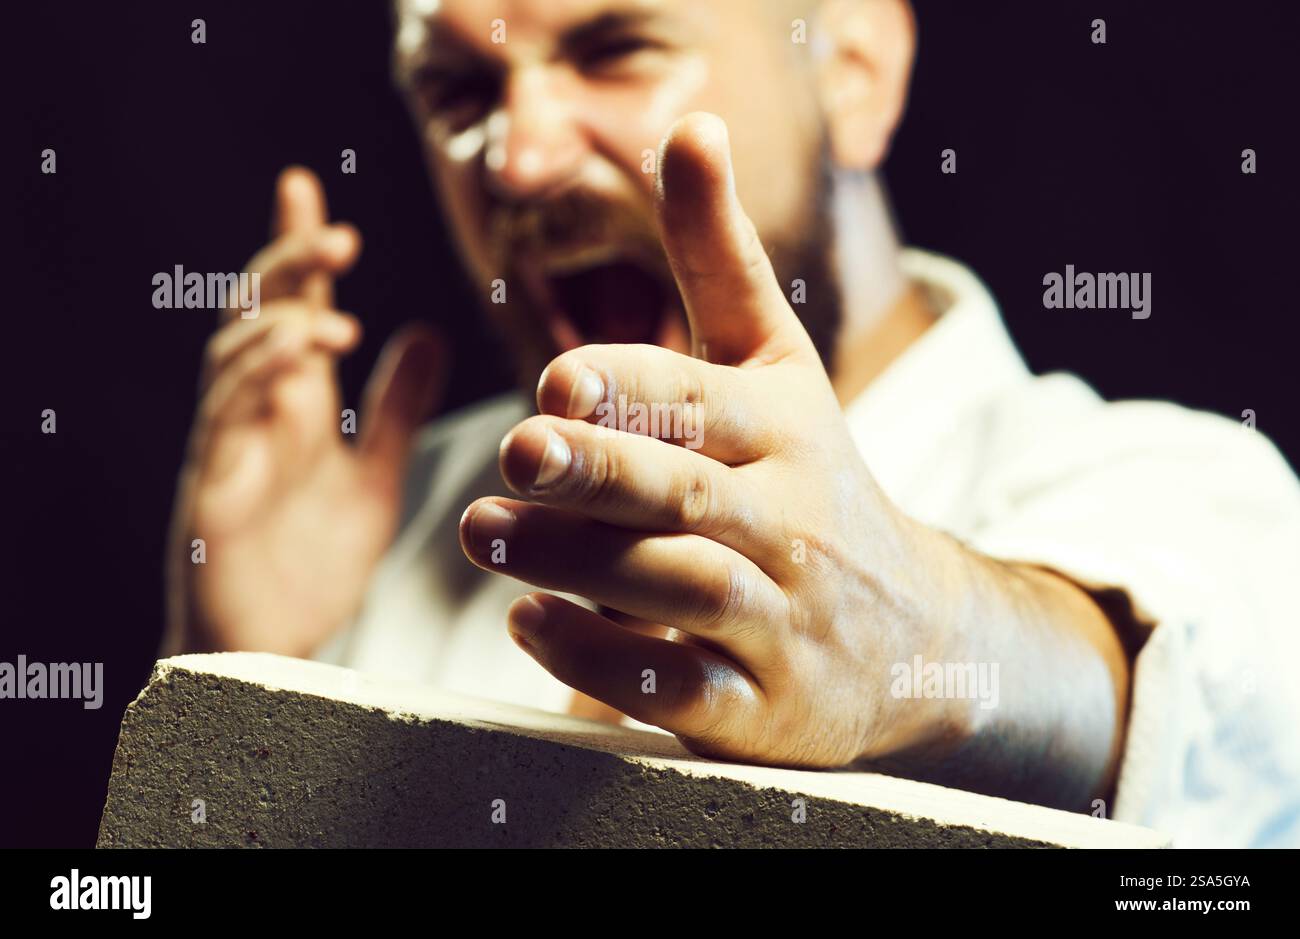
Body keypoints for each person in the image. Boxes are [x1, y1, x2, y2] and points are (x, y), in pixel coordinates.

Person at [162, 0, 1300, 846]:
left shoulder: (1194, 498)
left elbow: (1173, 700)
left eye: (613, 50)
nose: (514, 158)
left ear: (853, 69)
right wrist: (240, 672)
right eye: (458, 91)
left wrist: (928, 643)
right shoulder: (401, 521)